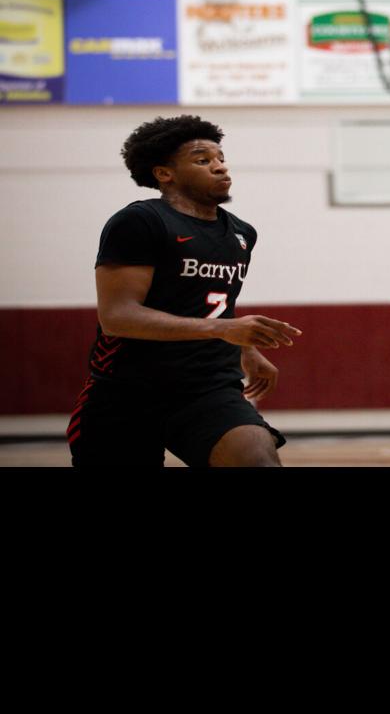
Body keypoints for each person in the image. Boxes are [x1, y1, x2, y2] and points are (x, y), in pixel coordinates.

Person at [69, 114, 301, 467]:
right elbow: (117, 317)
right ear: (165, 173)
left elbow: (207, 304)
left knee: (256, 456)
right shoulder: (140, 222)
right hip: (127, 390)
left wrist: (245, 347)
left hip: (207, 387)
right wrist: (225, 330)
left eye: (221, 158)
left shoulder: (241, 234)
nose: (220, 167)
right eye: (203, 160)